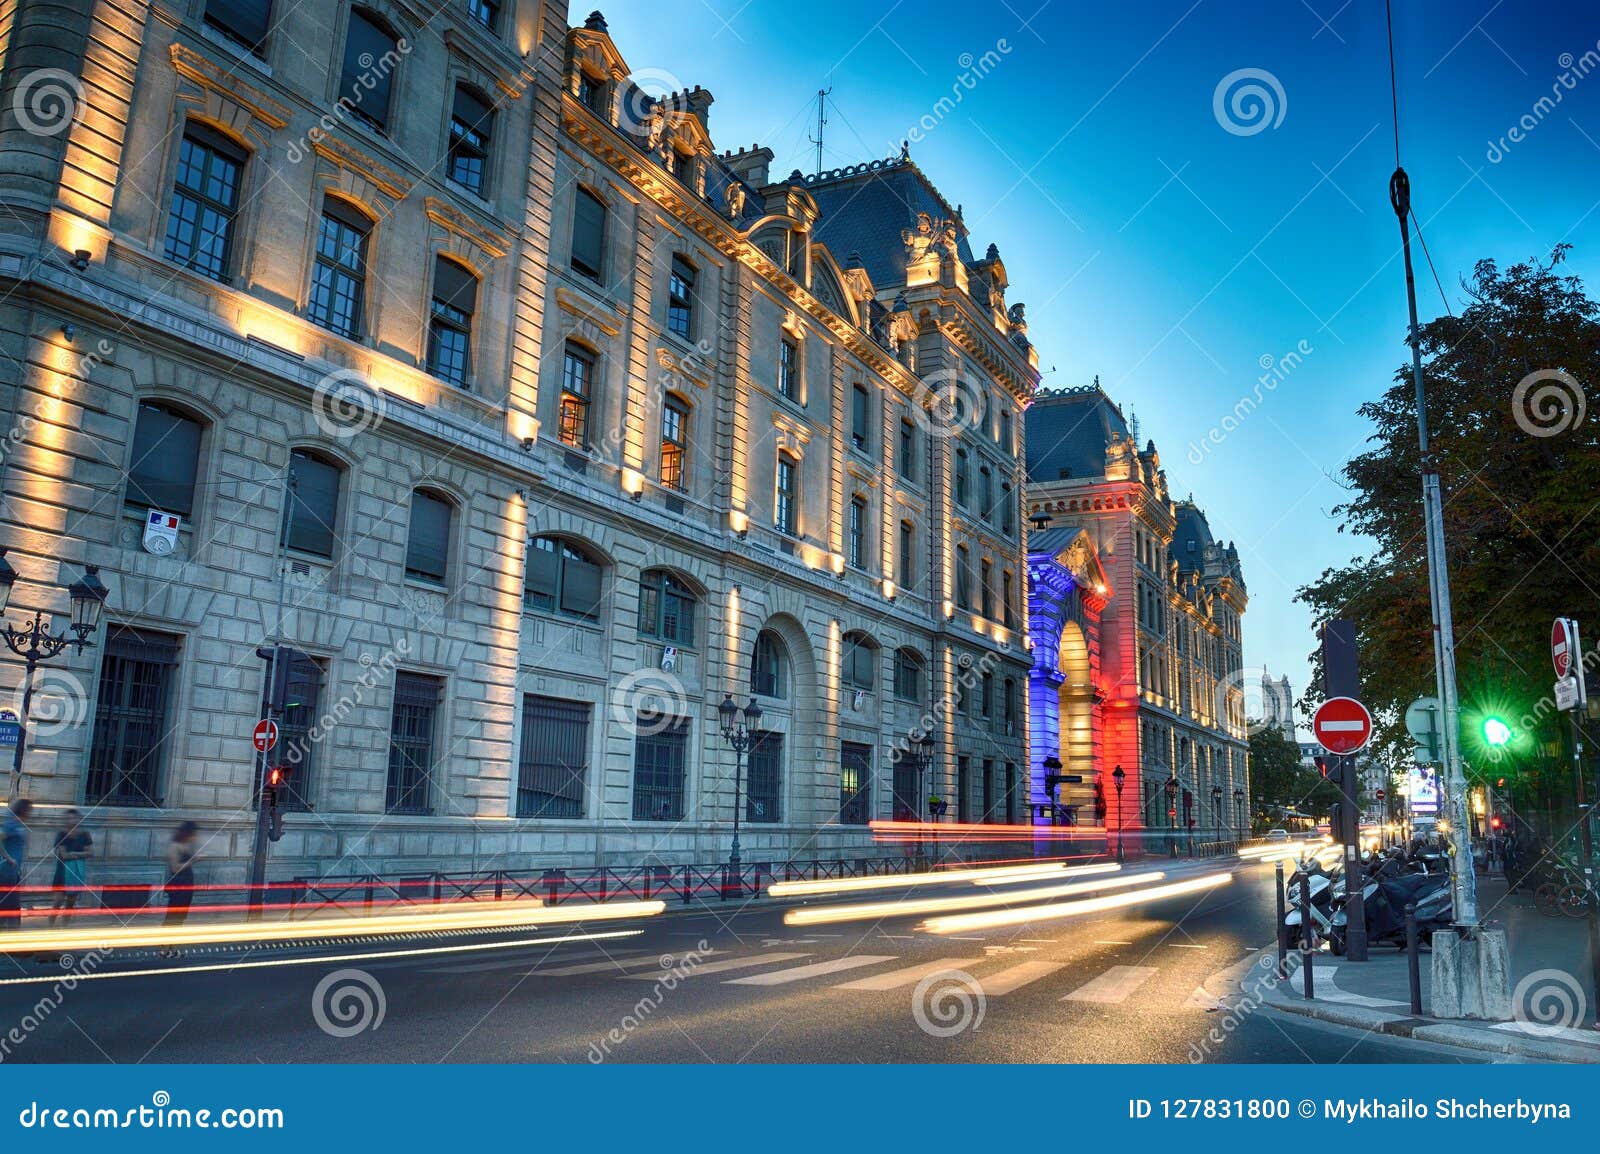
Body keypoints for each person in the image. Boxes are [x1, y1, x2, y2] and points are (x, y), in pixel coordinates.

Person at [50, 808, 92, 926]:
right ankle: (50, 925)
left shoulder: (85, 834)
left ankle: (65, 927)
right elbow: (64, 855)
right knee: (58, 901)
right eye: (68, 818)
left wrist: (74, 854)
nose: (71, 820)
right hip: (62, 871)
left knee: (70, 902)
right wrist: (80, 854)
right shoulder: (61, 834)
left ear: (79, 819)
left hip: (76, 872)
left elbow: (91, 853)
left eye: (74, 818)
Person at [0, 800, 33, 930]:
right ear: (23, 810)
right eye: (29, 809)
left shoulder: (19, 824)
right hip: (6, 870)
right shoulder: (11, 824)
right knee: (9, 901)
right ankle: (11, 931)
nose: (31, 813)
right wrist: (8, 858)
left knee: (11, 902)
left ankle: (11, 930)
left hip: (14, 871)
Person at [163, 822, 199, 928]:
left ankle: (173, 936)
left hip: (186, 886)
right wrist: (192, 861)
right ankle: (166, 936)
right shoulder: (174, 846)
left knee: (180, 916)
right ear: (187, 834)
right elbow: (175, 868)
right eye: (193, 834)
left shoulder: (185, 846)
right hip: (179, 887)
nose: (195, 837)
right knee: (173, 916)